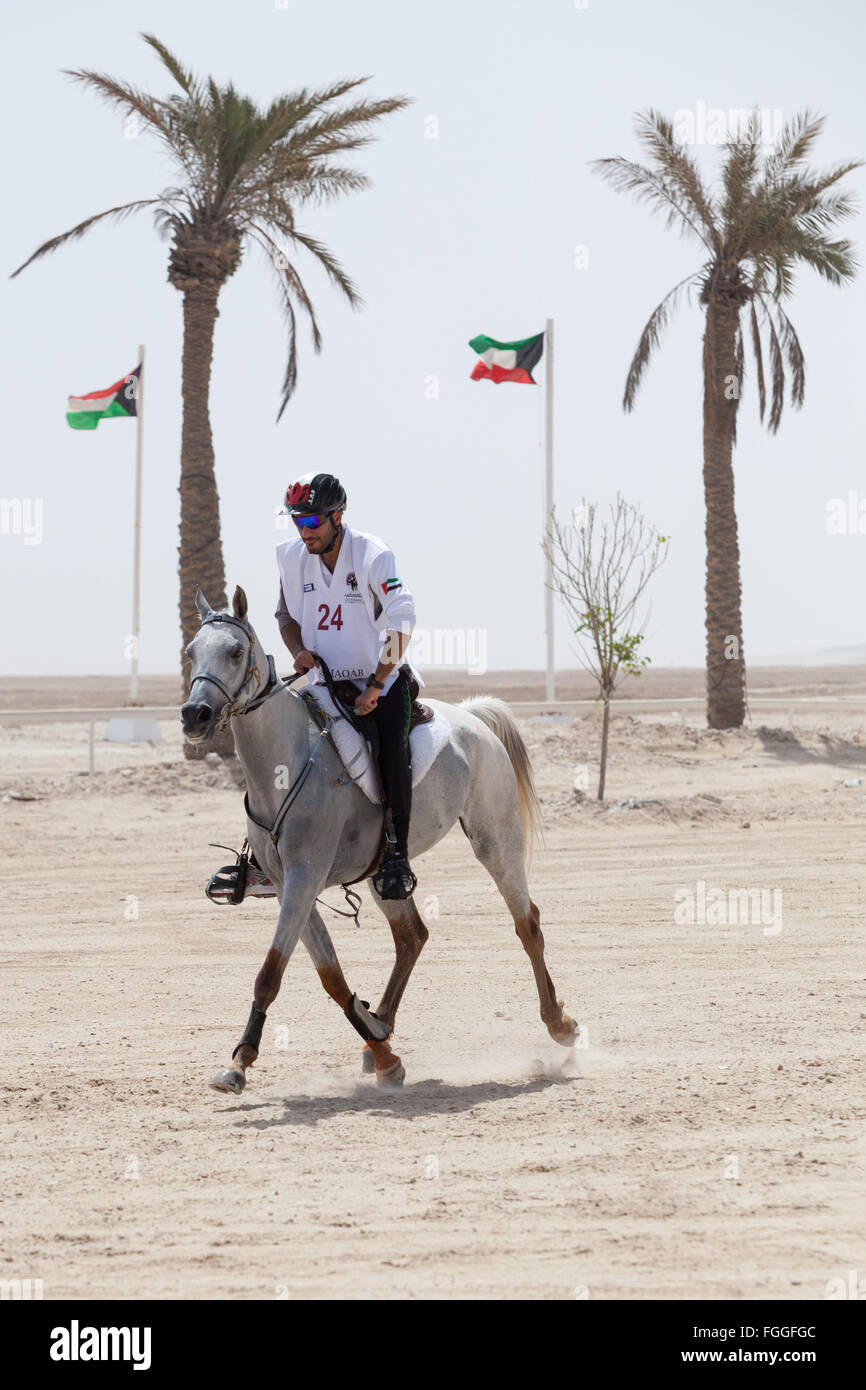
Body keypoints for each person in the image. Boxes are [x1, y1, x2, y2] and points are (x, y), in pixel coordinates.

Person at [206, 472, 418, 904]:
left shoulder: (373, 555)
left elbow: (403, 620)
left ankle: (397, 851)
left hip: (380, 679)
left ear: (337, 517)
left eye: (312, 523)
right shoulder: (291, 558)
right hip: (322, 680)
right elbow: (284, 617)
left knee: (391, 747)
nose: (305, 533)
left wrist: (378, 683)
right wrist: (299, 650)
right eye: (297, 523)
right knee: (278, 744)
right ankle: (262, 859)